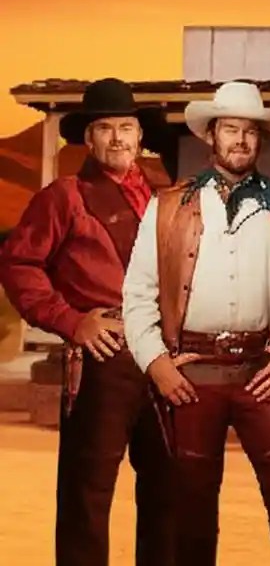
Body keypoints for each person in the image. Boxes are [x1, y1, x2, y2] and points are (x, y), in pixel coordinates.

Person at [122, 80, 270, 566]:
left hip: (261, 371)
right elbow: (139, 294)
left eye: (251, 131)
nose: (241, 140)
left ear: (261, 139)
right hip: (191, 372)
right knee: (190, 507)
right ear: (212, 134)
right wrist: (156, 363)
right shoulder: (167, 206)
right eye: (231, 129)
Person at [0, 78, 176, 566]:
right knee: (88, 495)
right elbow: (18, 264)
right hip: (105, 356)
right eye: (104, 128)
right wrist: (71, 321)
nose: (117, 138)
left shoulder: (166, 197)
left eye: (126, 127)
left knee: (168, 490)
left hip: (163, 354)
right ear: (88, 138)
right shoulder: (65, 196)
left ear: (140, 136)